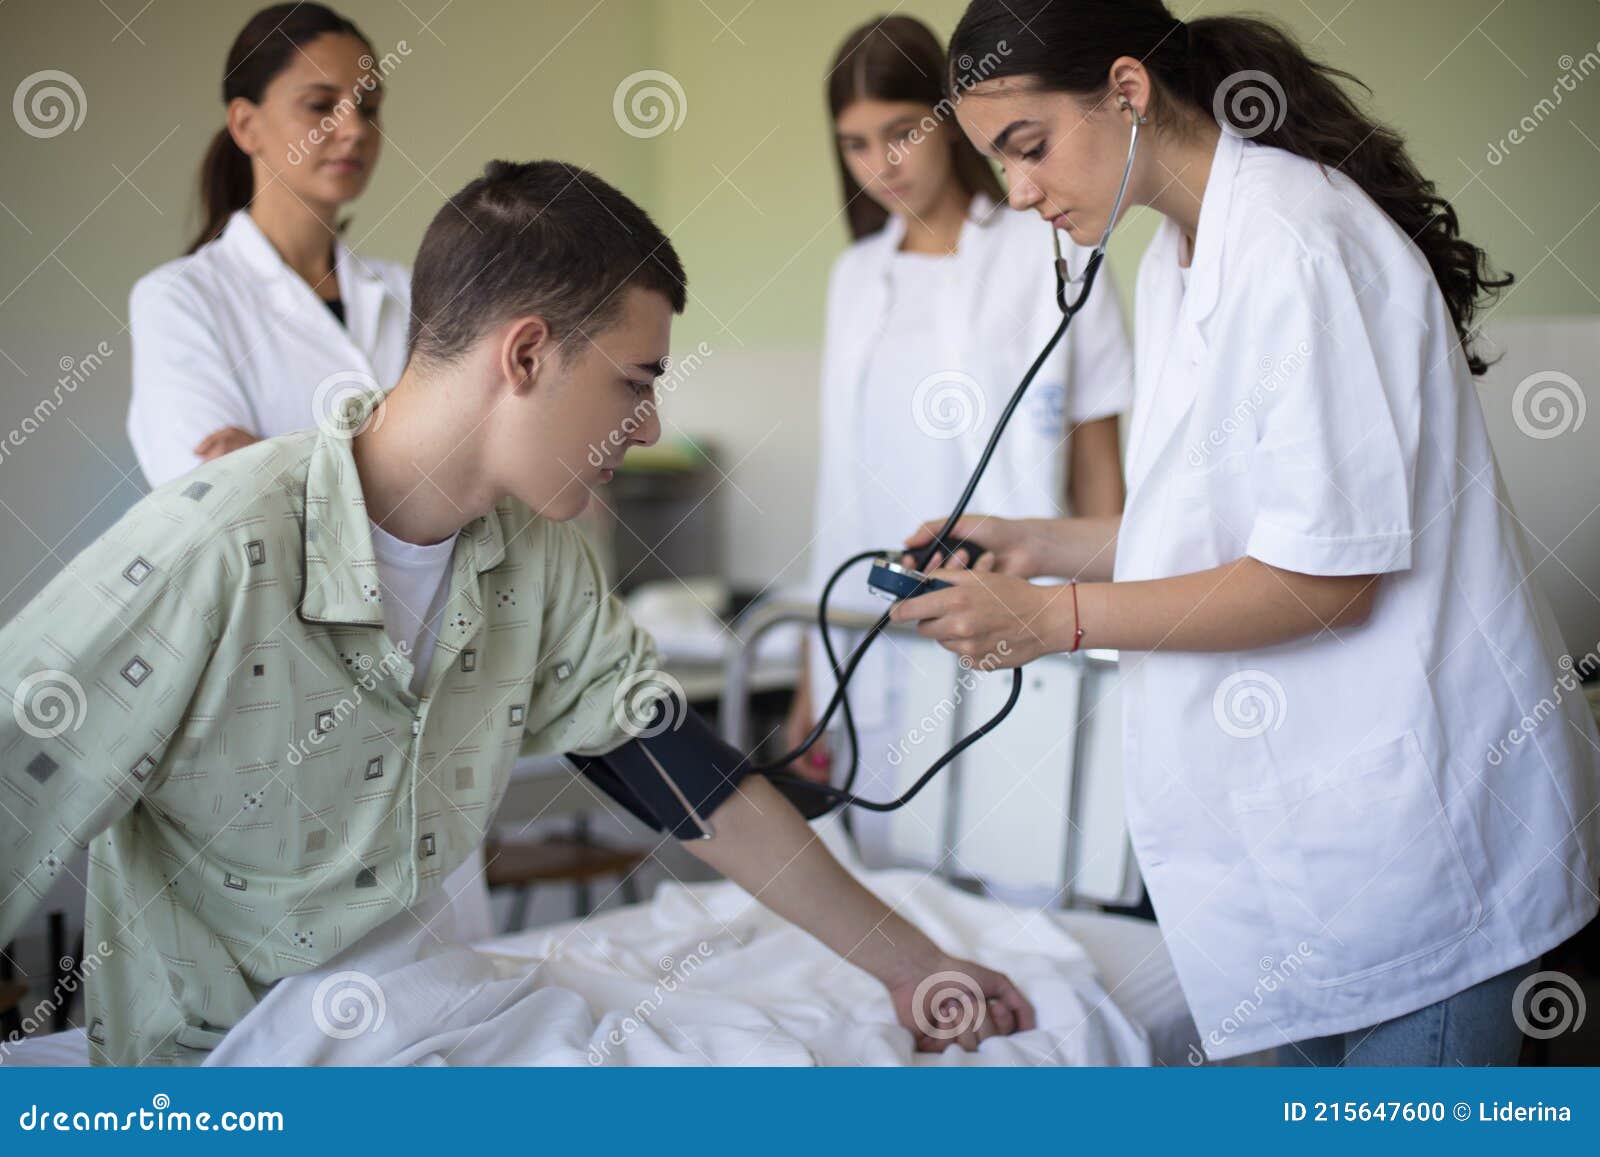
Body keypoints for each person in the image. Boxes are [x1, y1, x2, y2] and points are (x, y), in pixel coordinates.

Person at [0, 160, 1034, 1066]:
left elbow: (683, 775)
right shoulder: (219, 545)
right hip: (233, 1066)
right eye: (634, 382)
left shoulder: (533, 558)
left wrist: (916, 966)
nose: (651, 424)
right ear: (526, 354)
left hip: (423, 1018)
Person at [891, 0, 1600, 1065]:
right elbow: (1211, 530)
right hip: (1301, 864)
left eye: (1028, 148)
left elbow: (1324, 580)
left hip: (1420, 851)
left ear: (1127, 91)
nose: (1018, 191)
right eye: (997, 162)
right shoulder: (1183, 253)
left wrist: (1054, 617)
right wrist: (1030, 542)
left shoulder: (1295, 243)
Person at [784, 16, 1132, 877]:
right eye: (856, 144)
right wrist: (809, 681)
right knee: (895, 892)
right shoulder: (856, 278)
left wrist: (1116, 646)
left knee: (1022, 877)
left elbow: (1100, 479)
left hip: (1025, 626)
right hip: (873, 638)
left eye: (903, 132)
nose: (882, 164)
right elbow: (840, 486)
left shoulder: (1053, 242)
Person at [126, 3, 409, 488]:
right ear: (245, 125)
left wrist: (272, 464)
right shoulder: (177, 300)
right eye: (321, 105)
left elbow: (461, 473)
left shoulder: (411, 291)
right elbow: (216, 508)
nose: (355, 130)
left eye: (368, 108)